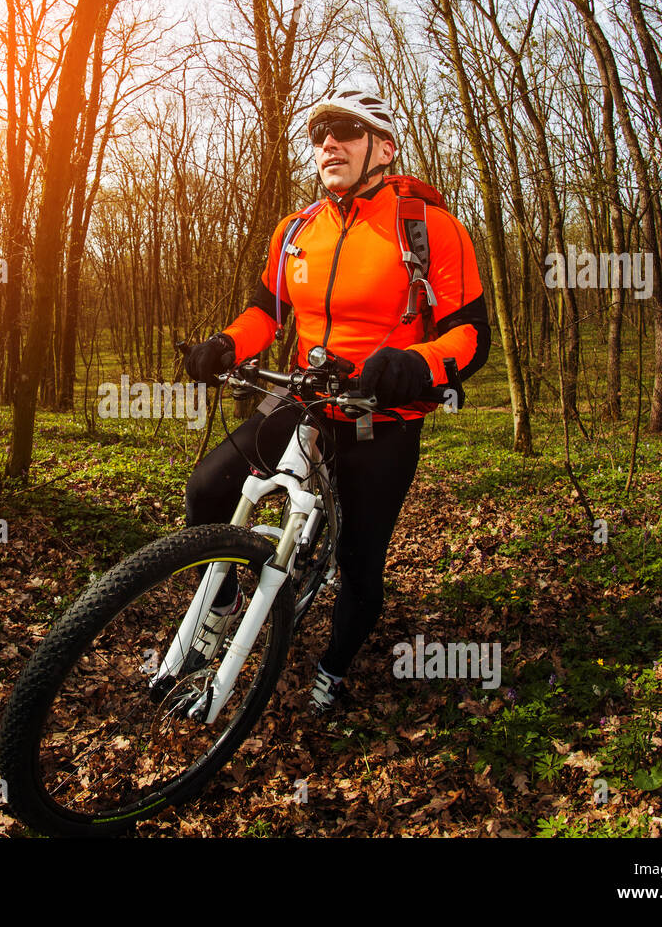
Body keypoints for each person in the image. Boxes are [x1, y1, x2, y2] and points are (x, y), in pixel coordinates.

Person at [182, 86, 490, 714]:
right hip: (305, 399)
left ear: (384, 146)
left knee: (360, 561)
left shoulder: (430, 228)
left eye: (346, 130)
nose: (328, 143)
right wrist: (226, 344)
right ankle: (223, 604)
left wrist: (417, 362)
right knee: (208, 488)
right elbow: (266, 312)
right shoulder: (297, 229)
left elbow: (471, 335)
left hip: (383, 417)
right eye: (319, 132)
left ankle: (334, 668)